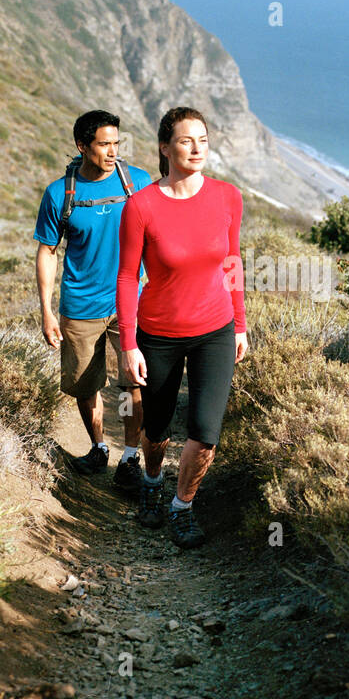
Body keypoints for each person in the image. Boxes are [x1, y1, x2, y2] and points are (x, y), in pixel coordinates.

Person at [116, 106, 248, 549]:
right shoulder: (141, 205)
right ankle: (152, 482)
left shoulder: (228, 197)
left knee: (205, 434)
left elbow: (232, 261)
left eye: (203, 140)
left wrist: (240, 324)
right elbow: (126, 277)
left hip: (215, 329)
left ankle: (182, 507)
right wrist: (129, 345)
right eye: (186, 140)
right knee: (156, 431)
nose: (196, 148)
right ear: (165, 147)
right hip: (158, 333)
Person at [34, 111, 153, 486]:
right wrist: (46, 311)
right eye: (104, 144)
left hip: (130, 301)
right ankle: (99, 448)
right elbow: (47, 252)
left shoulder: (138, 182)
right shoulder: (59, 194)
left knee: (134, 380)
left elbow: (160, 236)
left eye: (117, 143)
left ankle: (131, 458)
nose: (113, 151)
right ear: (82, 146)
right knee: (85, 386)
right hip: (80, 306)